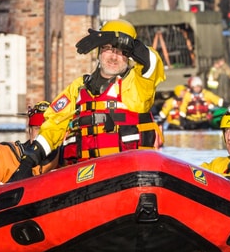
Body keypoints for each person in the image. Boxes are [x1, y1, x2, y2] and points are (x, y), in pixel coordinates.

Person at [19, 19, 165, 169]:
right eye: (108, 48)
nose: (114, 57)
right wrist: (30, 158)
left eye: (122, 52)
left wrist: (116, 38)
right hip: (82, 173)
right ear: (99, 51)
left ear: (129, 56)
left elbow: (153, 62)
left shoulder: (138, 83)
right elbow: (53, 126)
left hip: (127, 169)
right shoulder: (78, 87)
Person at [0, 101, 60, 185]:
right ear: (29, 131)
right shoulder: (6, 153)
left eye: (47, 131)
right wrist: (3, 187)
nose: (41, 135)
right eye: (37, 129)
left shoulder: (62, 160)